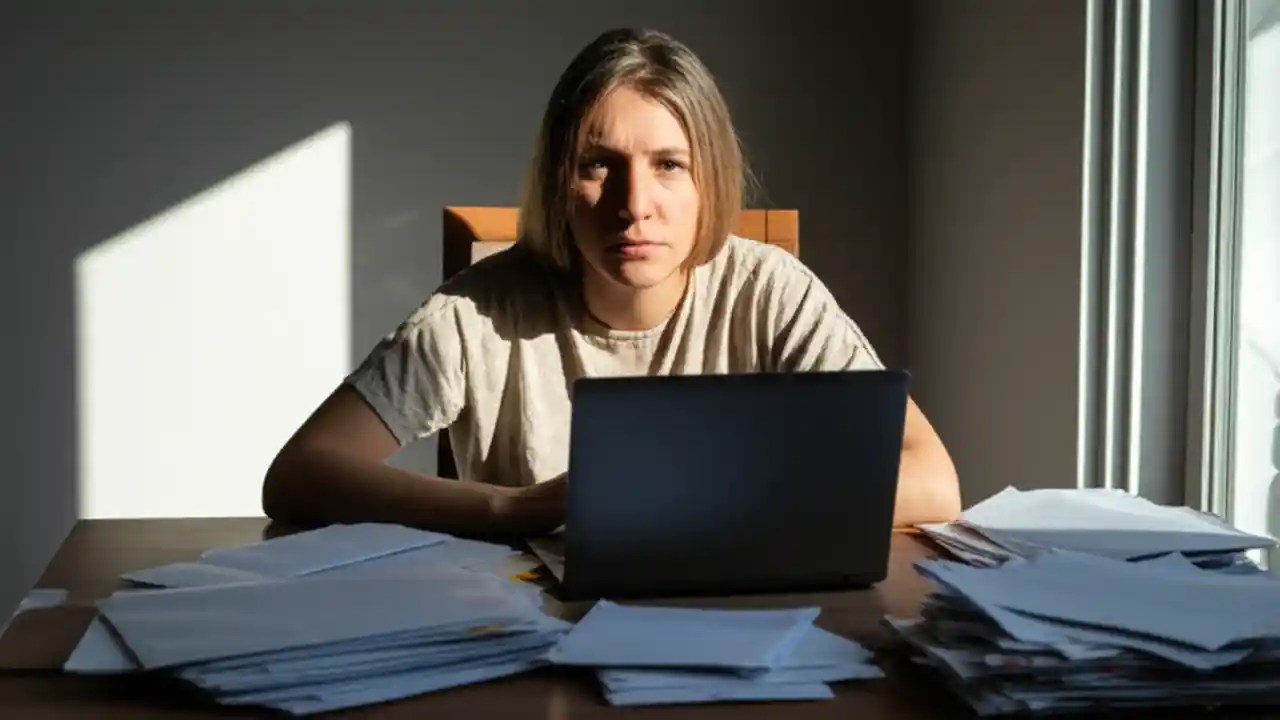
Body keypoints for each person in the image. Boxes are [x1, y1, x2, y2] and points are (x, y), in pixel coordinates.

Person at [262, 27, 961, 538]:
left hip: (738, 609)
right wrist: (509, 508)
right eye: (599, 164)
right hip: (531, 628)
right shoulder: (481, 312)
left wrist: (729, 497)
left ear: (708, 181)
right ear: (558, 184)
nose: (634, 204)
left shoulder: (770, 291)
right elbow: (300, 474)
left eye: (668, 164)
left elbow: (933, 480)